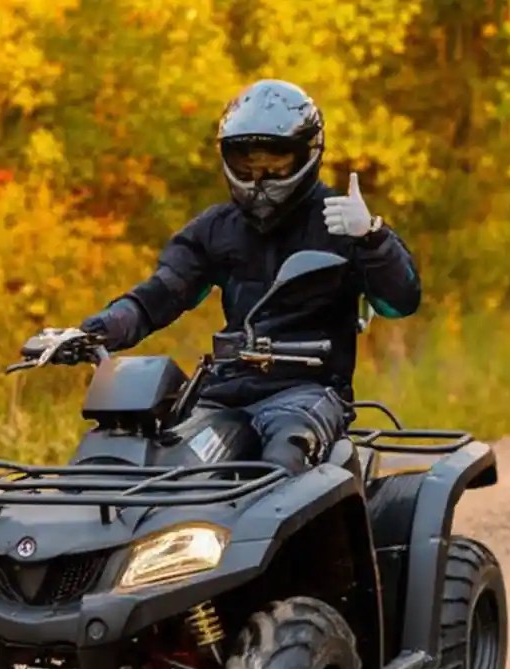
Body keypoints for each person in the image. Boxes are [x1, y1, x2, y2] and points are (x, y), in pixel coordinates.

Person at [79, 79, 421, 475]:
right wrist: (97, 330)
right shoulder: (216, 228)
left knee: (280, 469)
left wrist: (373, 237)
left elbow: (402, 300)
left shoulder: (342, 222)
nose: (259, 178)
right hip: (225, 395)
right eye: (247, 164)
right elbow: (162, 293)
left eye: (274, 164)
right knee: (170, 468)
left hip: (307, 394)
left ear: (306, 154)